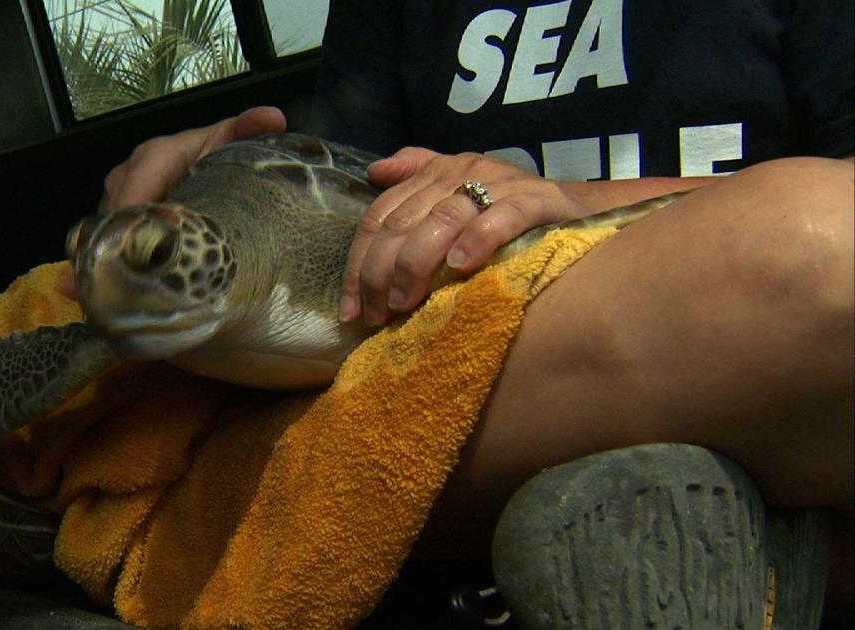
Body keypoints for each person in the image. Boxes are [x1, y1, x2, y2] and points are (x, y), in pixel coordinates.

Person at [94, 1, 854, 622]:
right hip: (456, 348)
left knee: (829, 252)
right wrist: (215, 179)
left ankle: (197, 508)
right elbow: (352, 228)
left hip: (724, 308)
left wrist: (574, 204)